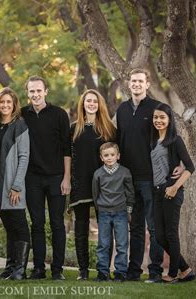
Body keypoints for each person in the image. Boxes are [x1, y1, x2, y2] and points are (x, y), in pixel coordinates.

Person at [117, 68, 172, 282]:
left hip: (151, 178)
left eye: (141, 81)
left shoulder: (156, 108)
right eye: (133, 81)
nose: (136, 84)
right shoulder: (122, 109)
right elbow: (119, 140)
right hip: (129, 179)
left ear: (147, 84)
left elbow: (168, 139)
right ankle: (133, 272)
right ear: (129, 84)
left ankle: (156, 271)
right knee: (136, 227)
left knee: (154, 226)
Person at [21, 75, 71, 280]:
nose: (35, 94)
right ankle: (39, 268)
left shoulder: (59, 114)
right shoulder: (22, 114)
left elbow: (67, 148)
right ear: (27, 93)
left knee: (57, 224)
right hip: (32, 178)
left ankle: (57, 270)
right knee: (37, 224)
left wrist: (67, 177)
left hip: (56, 177)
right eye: (31, 91)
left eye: (38, 90)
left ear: (46, 91)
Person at [70, 89, 116, 280]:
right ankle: (83, 270)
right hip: (80, 183)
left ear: (99, 105)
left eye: (94, 102)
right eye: (88, 101)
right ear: (83, 104)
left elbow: (116, 158)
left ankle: (103, 270)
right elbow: (68, 156)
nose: (91, 104)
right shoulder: (74, 128)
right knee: (81, 229)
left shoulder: (109, 129)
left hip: (104, 185)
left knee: (105, 228)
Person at [0, 87, 30, 280]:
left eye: (8, 102)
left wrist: (16, 186)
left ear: (14, 105)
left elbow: (24, 156)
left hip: (11, 185)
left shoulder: (19, 125)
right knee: (9, 227)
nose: (5, 105)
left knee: (19, 225)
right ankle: (9, 268)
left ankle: (20, 270)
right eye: (1, 102)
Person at [150, 103, 196, 283]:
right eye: (156, 117)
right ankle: (186, 269)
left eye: (162, 117)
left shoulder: (175, 140)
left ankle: (173, 273)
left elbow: (190, 167)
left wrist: (175, 186)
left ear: (169, 120)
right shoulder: (153, 141)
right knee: (160, 236)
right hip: (157, 192)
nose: (158, 121)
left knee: (170, 234)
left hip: (171, 191)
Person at [92, 142, 134, 282]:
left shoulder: (125, 172)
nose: (109, 157)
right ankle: (103, 273)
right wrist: (100, 208)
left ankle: (120, 272)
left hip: (120, 212)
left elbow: (130, 193)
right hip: (104, 213)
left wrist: (128, 210)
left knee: (122, 244)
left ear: (118, 156)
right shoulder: (98, 174)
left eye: (112, 155)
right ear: (101, 157)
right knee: (103, 244)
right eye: (106, 155)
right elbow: (95, 194)